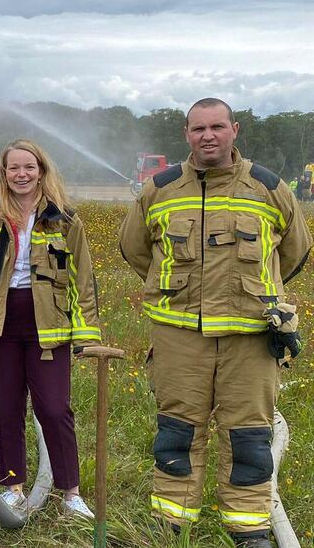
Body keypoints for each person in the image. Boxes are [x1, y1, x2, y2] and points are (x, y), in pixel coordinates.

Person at [119, 98, 310, 547]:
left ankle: (249, 530)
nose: (208, 135)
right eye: (199, 128)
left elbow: (295, 252)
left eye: (217, 127)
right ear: (186, 133)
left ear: (234, 130)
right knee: (177, 432)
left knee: (248, 435)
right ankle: (170, 524)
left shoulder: (269, 188)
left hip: (251, 337)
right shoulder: (160, 188)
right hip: (179, 335)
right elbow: (135, 249)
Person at [0, 138, 101, 519]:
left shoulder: (65, 218)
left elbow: (83, 278)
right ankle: (12, 487)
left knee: (54, 407)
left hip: (50, 323)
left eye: (29, 167)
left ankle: (70, 493)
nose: (21, 174)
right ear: (4, 173)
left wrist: (87, 332)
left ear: (41, 171)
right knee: (6, 407)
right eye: (14, 168)